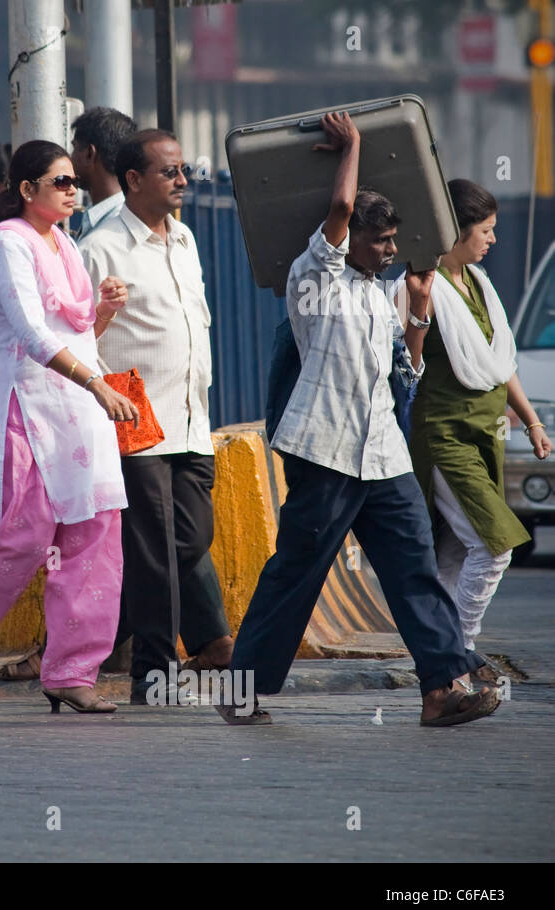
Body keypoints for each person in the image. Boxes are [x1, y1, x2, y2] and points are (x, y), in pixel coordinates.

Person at [225, 112, 501, 727]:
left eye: (394, 240)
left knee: (414, 569)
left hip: (382, 455)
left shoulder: (380, 294)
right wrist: (352, 146)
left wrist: (421, 312)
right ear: (349, 240)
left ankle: (441, 687)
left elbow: (405, 374)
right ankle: (242, 688)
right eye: (381, 241)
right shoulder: (314, 277)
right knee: (298, 572)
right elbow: (343, 205)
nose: (392, 250)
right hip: (325, 451)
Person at [0, 139, 134, 713]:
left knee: (93, 538)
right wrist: (98, 385)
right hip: (27, 415)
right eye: (60, 182)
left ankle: (71, 672)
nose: (72, 191)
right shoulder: (7, 244)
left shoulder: (63, 243)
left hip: (80, 416)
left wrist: (101, 314)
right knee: (19, 538)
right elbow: (34, 339)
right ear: (27, 189)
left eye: (73, 182)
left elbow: (75, 335)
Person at [76, 128, 233, 703]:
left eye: (183, 170)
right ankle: (154, 671)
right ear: (134, 180)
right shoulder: (99, 248)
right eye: (170, 172)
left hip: (191, 420)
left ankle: (121, 644)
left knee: (189, 540)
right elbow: (75, 338)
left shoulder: (186, 239)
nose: (183, 181)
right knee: (153, 548)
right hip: (135, 418)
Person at [398, 179, 552, 667]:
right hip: (444, 434)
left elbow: (498, 360)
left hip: (486, 434)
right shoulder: (422, 285)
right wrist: (419, 312)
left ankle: (437, 656)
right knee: (494, 546)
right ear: (455, 231)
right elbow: (407, 363)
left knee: (455, 554)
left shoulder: (478, 285)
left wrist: (531, 422)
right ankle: (458, 647)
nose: (493, 240)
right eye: (484, 230)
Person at [69, 107, 136, 241]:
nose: (71, 157)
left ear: (89, 153)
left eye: (74, 148)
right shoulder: (130, 216)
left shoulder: (112, 227)